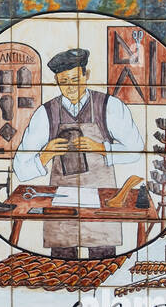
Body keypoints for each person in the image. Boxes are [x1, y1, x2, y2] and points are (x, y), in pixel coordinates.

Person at [12, 48, 143, 259]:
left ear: (86, 75)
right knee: (61, 267)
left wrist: (99, 148)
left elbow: (136, 150)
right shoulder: (46, 114)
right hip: (61, 204)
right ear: (56, 81)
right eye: (64, 82)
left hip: (101, 203)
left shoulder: (109, 106)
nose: (70, 87)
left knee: (103, 262)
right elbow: (20, 168)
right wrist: (45, 155)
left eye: (75, 79)